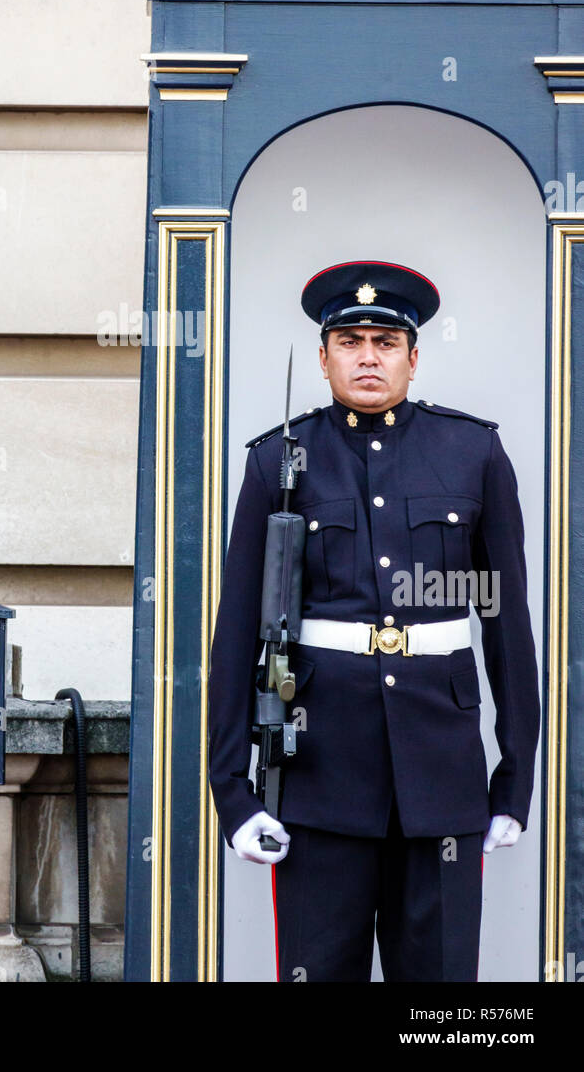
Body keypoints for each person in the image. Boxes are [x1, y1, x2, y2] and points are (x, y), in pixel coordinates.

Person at [208, 259, 541, 982]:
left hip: (443, 778)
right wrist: (232, 794)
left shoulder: (474, 453)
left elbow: (506, 628)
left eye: (385, 342)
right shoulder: (277, 462)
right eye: (351, 340)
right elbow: (237, 635)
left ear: (414, 358)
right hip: (322, 779)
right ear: (325, 356)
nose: (367, 355)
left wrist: (514, 779)